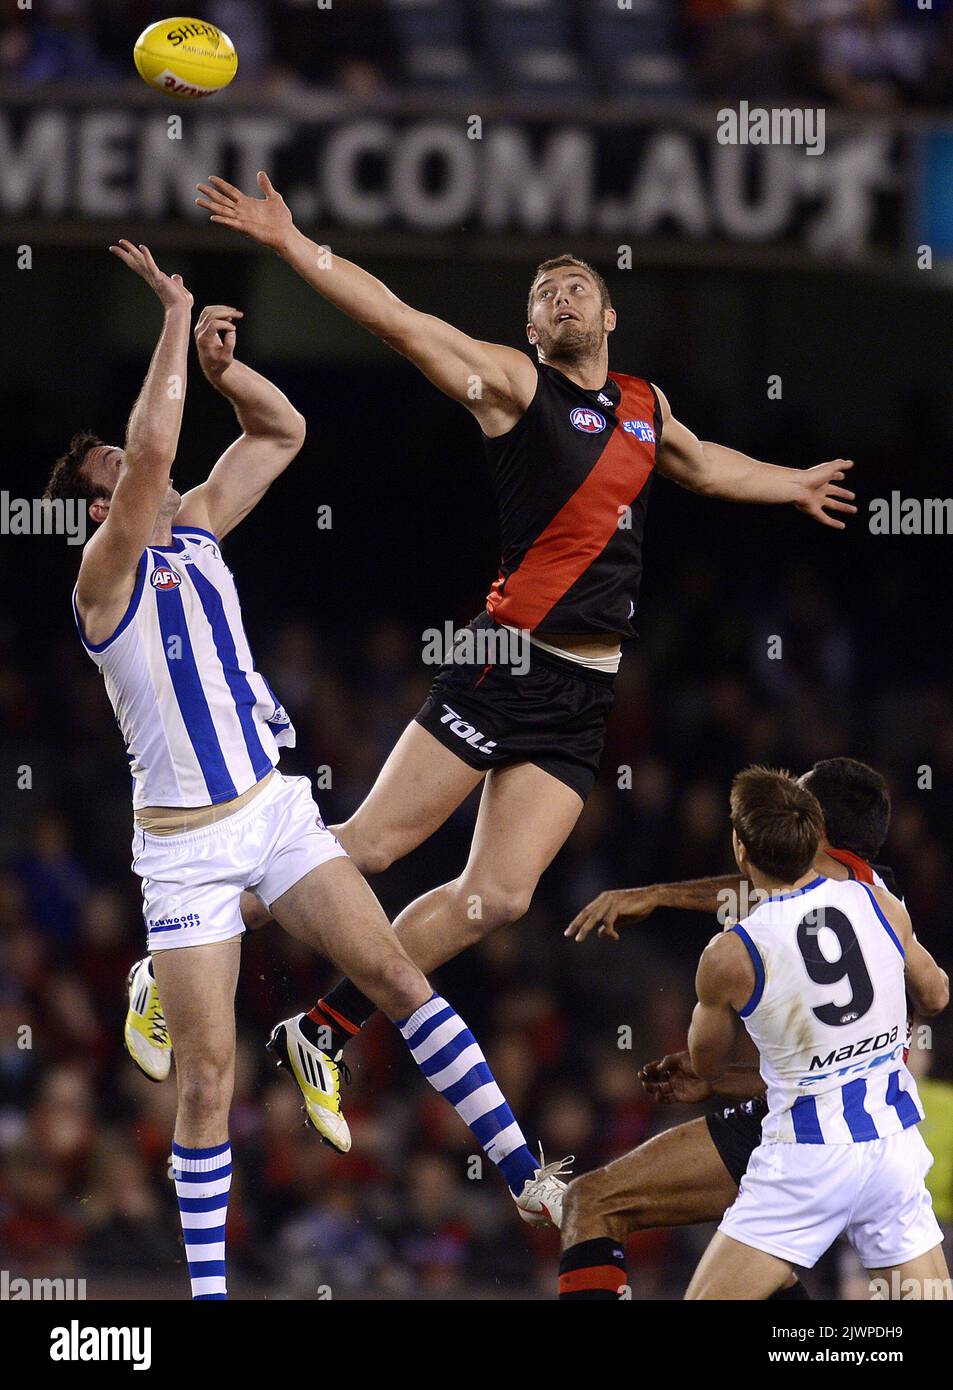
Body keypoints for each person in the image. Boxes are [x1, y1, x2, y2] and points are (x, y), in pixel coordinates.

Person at [189, 171, 857, 1143]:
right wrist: (293, 245)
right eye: (544, 292)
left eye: (577, 286)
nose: (560, 296)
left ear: (609, 314)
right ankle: (179, 941)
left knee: (495, 897)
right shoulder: (513, 387)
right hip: (504, 659)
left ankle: (322, 1028)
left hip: (582, 694)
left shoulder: (644, 405)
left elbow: (704, 464)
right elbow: (401, 321)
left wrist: (790, 482)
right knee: (367, 846)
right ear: (533, 328)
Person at [46, 243, 569, 1298]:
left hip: (275, 811)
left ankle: (527, 1176)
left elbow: (281, 432)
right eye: (113, 470)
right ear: (99, 510)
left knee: (396, 978)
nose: (139, 467)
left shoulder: (197, 526)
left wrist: (224, 370)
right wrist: (173, 315)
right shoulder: (103, 578)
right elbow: (152, 451)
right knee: (207, 1080)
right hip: (187, 854)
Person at [557, 756, 929, 1299]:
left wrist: (658, 896)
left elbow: (762, 889)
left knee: (593, 1201)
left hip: (808, 1140)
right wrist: (723, 1080)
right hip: (876, 1131)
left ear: (815, 830)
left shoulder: (831, 902)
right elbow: (846, 1054)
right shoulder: (876, 902)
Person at [683, 766, 948, 1299]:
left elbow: (706, 1066)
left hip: (805, 1159)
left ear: (741, 849)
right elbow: (936, 994)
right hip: (890, 1147)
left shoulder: (731, 953)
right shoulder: (877, 902)